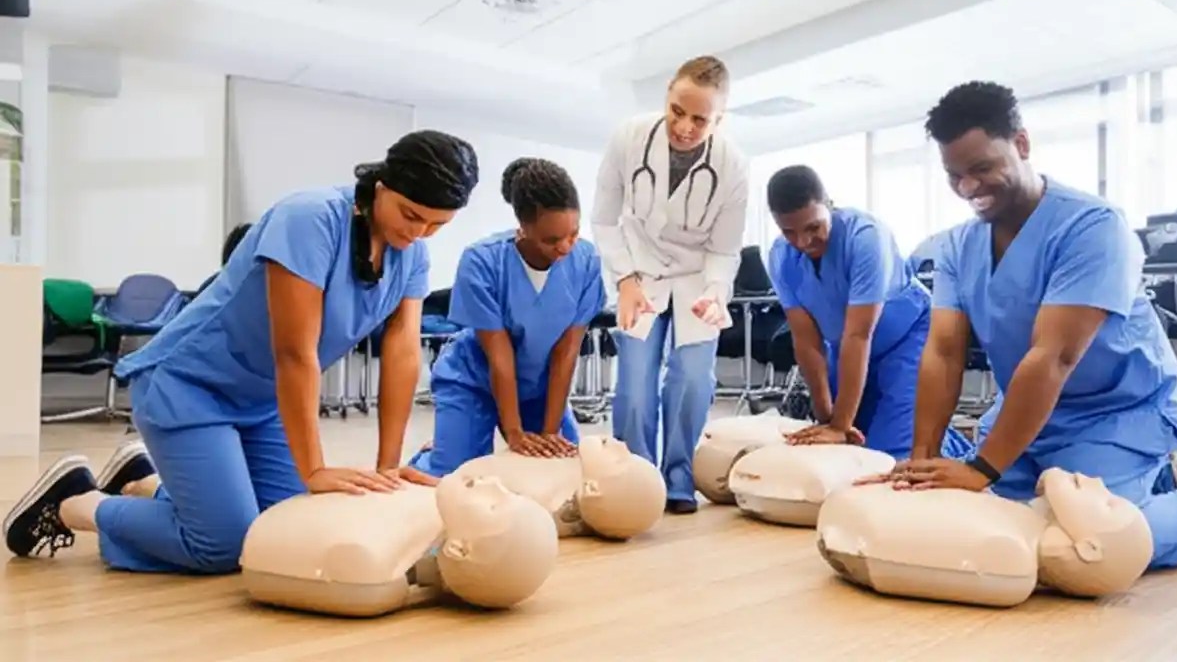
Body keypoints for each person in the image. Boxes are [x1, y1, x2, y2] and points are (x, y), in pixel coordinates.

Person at [3, 130, 480, 572]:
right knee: (223, 545)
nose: (419, 234)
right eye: (411, 215)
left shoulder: (412, 252)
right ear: (381, 186)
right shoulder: (310, 219)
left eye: (437, 225)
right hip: (188, 387)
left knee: (284, 530)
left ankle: (144, 481)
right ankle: (76, 503)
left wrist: (388, 467)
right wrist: (313, 468)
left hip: (261, 403)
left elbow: (401, 351)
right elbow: (295, 353)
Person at [865, 80, 1177, 569]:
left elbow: (1053, 356)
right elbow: (943, 352)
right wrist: (922, 462)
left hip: (1118, 413)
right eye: (954, 175)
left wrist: (981, 467)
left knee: (1089, 547)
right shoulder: (958, 247)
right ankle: (1163, 483)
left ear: (1021, 144)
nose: (968, 187)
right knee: (990, 530)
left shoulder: (1092, 227)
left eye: (981, 168)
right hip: (1025, 415)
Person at [592, 55, 750, 514]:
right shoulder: (629, 137)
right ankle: (638, 480)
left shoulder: (733, 165)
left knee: (692, 380)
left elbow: (725, 248)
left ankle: (678, 478)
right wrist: (623, 279)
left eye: (700, 119)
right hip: (638, 270)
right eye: (677, 110)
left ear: (719, 118)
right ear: (667, 94)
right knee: (636, 385)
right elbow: (604, 219)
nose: (684, 126)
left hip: (697, 279)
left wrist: (717, 292)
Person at [409, 157, 606, 479]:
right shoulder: (482, 262)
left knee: (565, 470)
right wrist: (514, 433)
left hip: (538, 387)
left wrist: (550, 432)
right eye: (551, 240)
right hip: (473, 380)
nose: (565, 247)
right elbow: (499, 357)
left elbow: (566, 352)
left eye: (573, 233)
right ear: (523, 227)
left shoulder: (586, 261)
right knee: (455, 477)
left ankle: (456, 443)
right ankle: (434, 454)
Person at [764, 165, 969, 460]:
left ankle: (960, 457)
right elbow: (807, 343)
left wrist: (840, 424)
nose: (803, 242)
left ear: (829, 206)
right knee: (853, 444)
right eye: (789, 232)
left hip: (907, 338)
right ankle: (943, 438)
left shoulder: (866, 237)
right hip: (846, 348)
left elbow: (859, 334)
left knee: (894, 454)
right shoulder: (781, 256)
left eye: (813, 227)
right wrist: (826, 420)